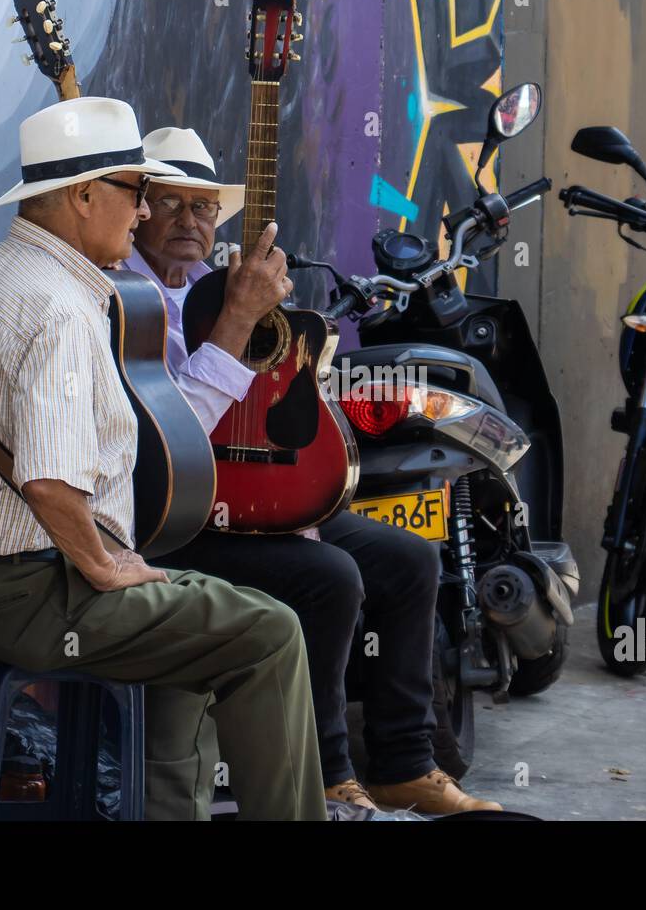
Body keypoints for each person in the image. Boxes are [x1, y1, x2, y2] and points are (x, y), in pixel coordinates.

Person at [0, 97, 327, 820]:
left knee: (202, 621)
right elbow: (47, 478)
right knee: (269, 634)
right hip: (35, 593)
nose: (141, 214)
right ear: (81, 196)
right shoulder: (62, 311)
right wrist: (105, 566)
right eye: (136, 192)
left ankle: (171, 809)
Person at [130, 126, 501, 815]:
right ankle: (329, 773)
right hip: (177, 515)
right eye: (172, 204)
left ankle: (403, 764)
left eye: (204, 207)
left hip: (253, 499)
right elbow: (167, 435)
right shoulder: (127, 296)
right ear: (138, 209)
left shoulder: (218, 284)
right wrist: (239, 320)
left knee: (410, 561)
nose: (191, 222)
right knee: (331, 578)